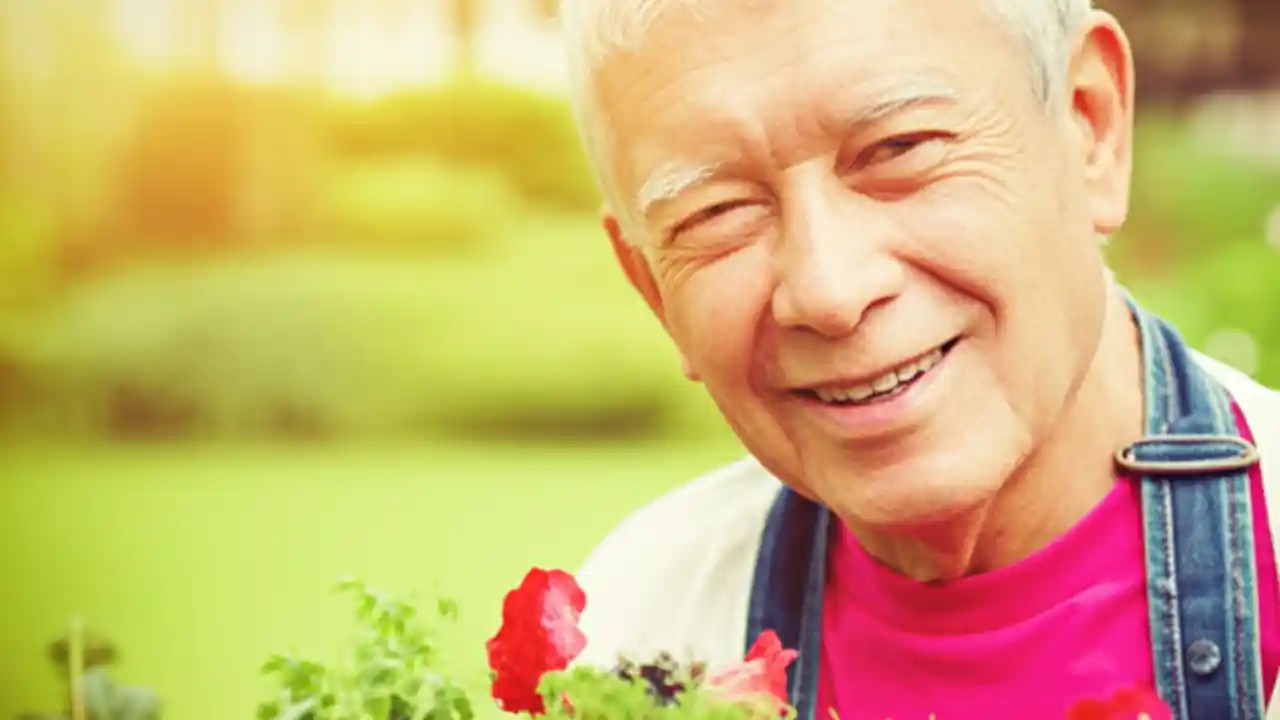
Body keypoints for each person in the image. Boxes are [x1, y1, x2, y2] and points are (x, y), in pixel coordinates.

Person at [554, 0, 1280, 718]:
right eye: (717, 212)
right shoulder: (634, 632)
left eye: (900, 148)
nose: (830, 291)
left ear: (1090, 126)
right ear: (653, 289)